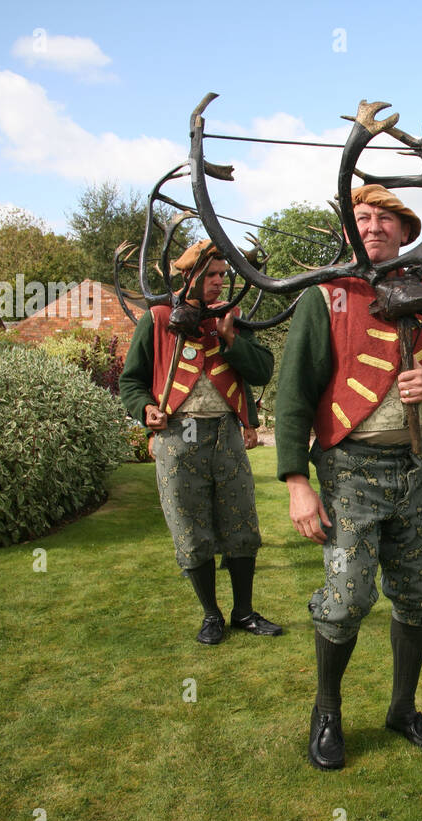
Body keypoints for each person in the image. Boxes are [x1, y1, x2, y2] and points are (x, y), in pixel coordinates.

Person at [275, 184, 422, 771]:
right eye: (362, 218)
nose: (373, 227)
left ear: (405, 229)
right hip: (349, 470)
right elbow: (294, 394)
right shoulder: (328, 297)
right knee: (345, 600)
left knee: (417, 597)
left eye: (385, 219)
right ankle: (327, 711)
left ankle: (402, 709)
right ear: (349, 229)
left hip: (418, 471)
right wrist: (296, 481)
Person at [119, 240, 283, 646]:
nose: (219, 283)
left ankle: (243, 611)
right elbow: (131, 381)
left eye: (222, 276)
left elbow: (262, 370)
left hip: (225, 432)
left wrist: (232, 340)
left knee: (242, 524)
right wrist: (144, 410)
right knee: (190, 528)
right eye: (211, 275)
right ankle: (211, 615)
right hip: (178, 435)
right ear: (188, 276)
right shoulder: (158, 319)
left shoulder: (231, 317)